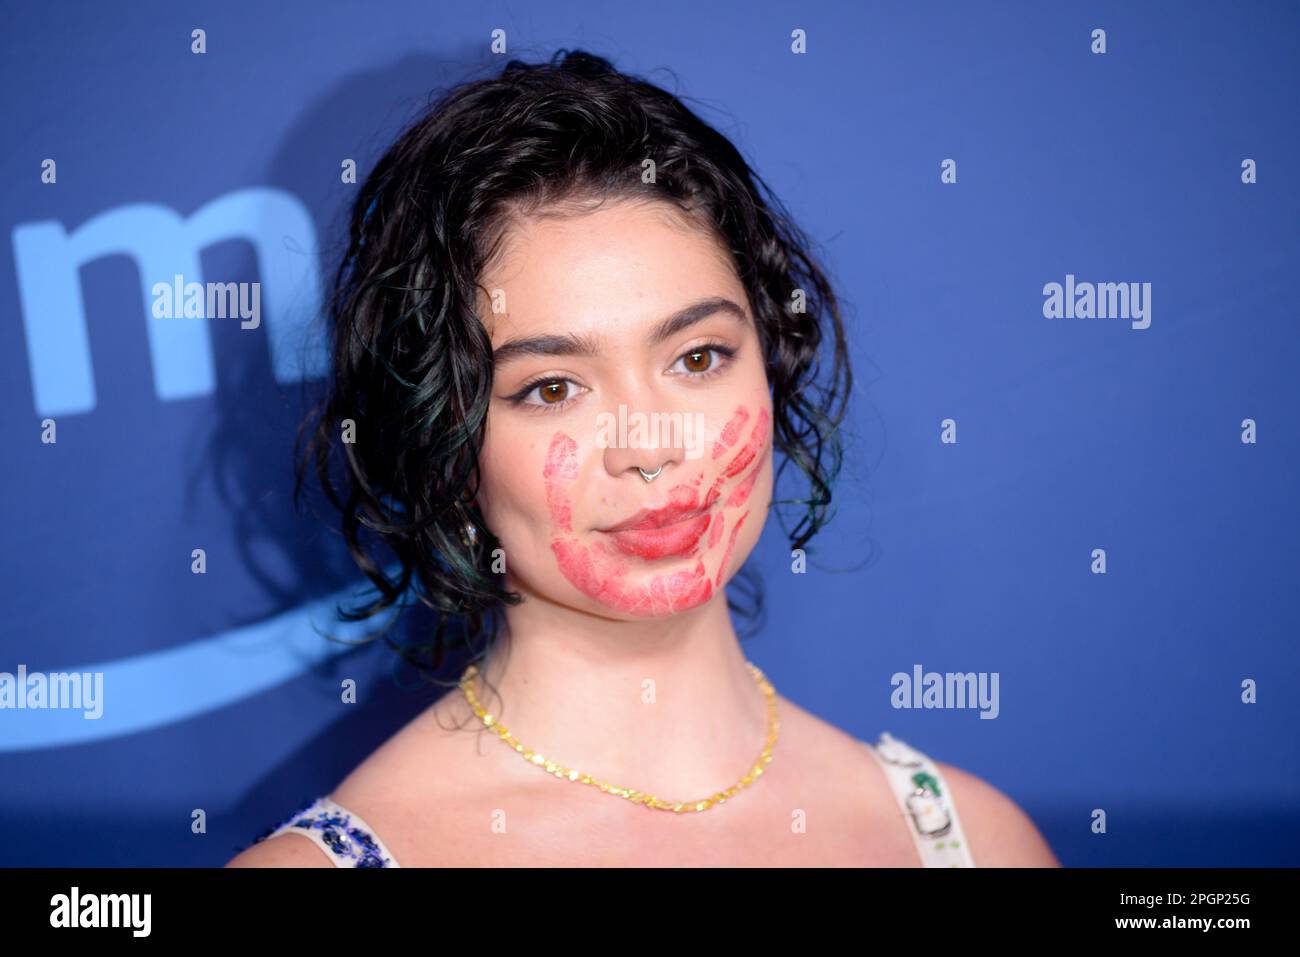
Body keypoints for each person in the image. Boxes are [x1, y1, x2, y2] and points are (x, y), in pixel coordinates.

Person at [226, 49, 1059, 868]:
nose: (651, 446)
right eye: (552, 388)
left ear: (770, 361)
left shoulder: (971, 841)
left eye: (697, 357)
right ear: (445, 439)